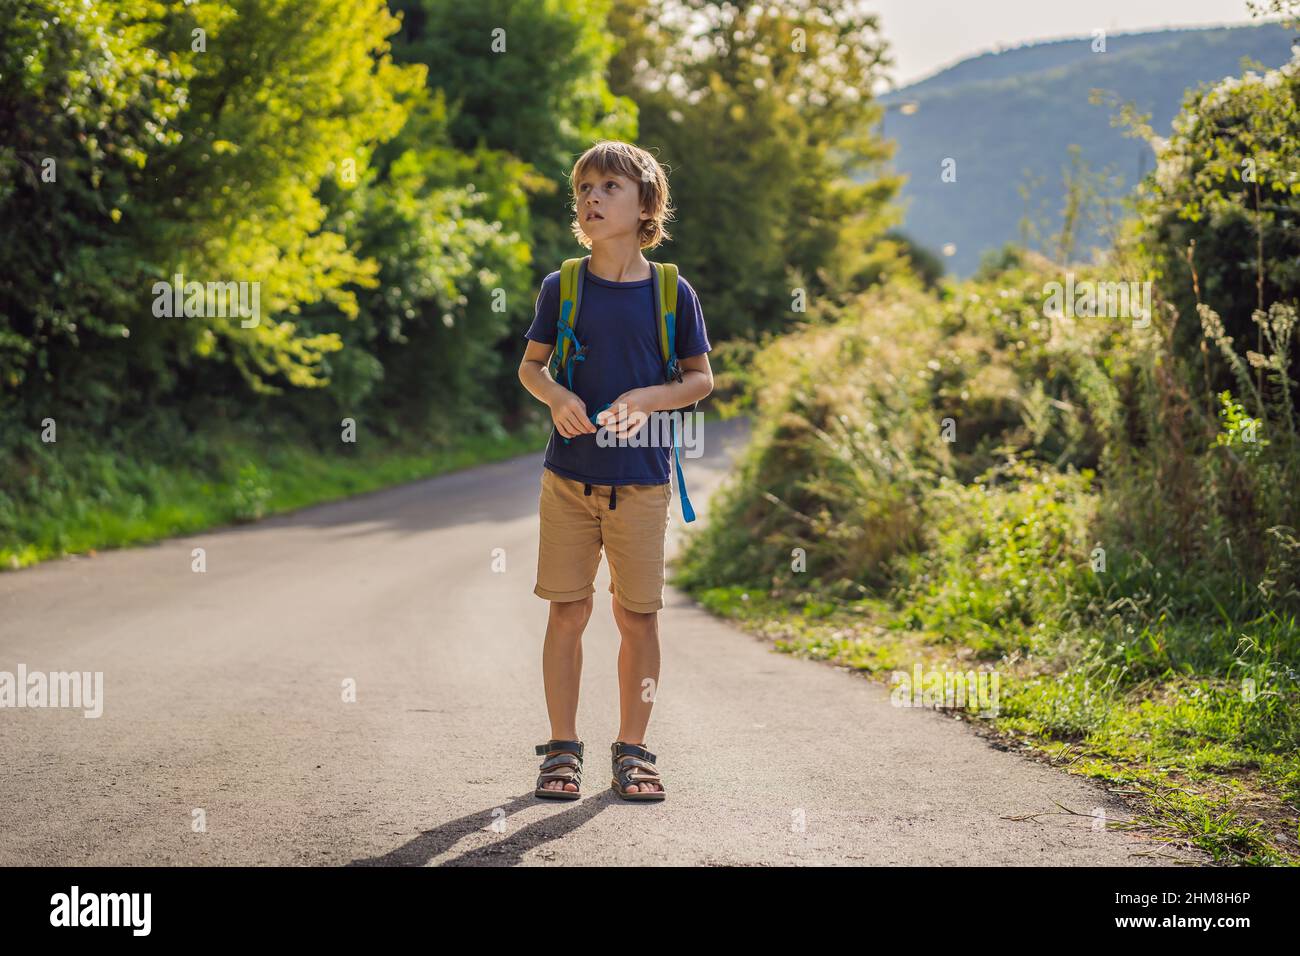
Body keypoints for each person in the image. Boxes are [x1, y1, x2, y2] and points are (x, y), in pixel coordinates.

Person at [517, 140, 713, 801]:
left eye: (608, 187)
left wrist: (649, 399)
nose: (592, 199)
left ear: (646, 204)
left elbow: (699, 380)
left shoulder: (671, 291)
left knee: (637, 619)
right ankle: (561, 750)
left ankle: (634, 751)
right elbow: (531, 366)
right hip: (566, 479)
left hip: (643, 483)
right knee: (567, 611)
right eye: (584, 190)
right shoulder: (562, 285)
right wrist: (556, 396)